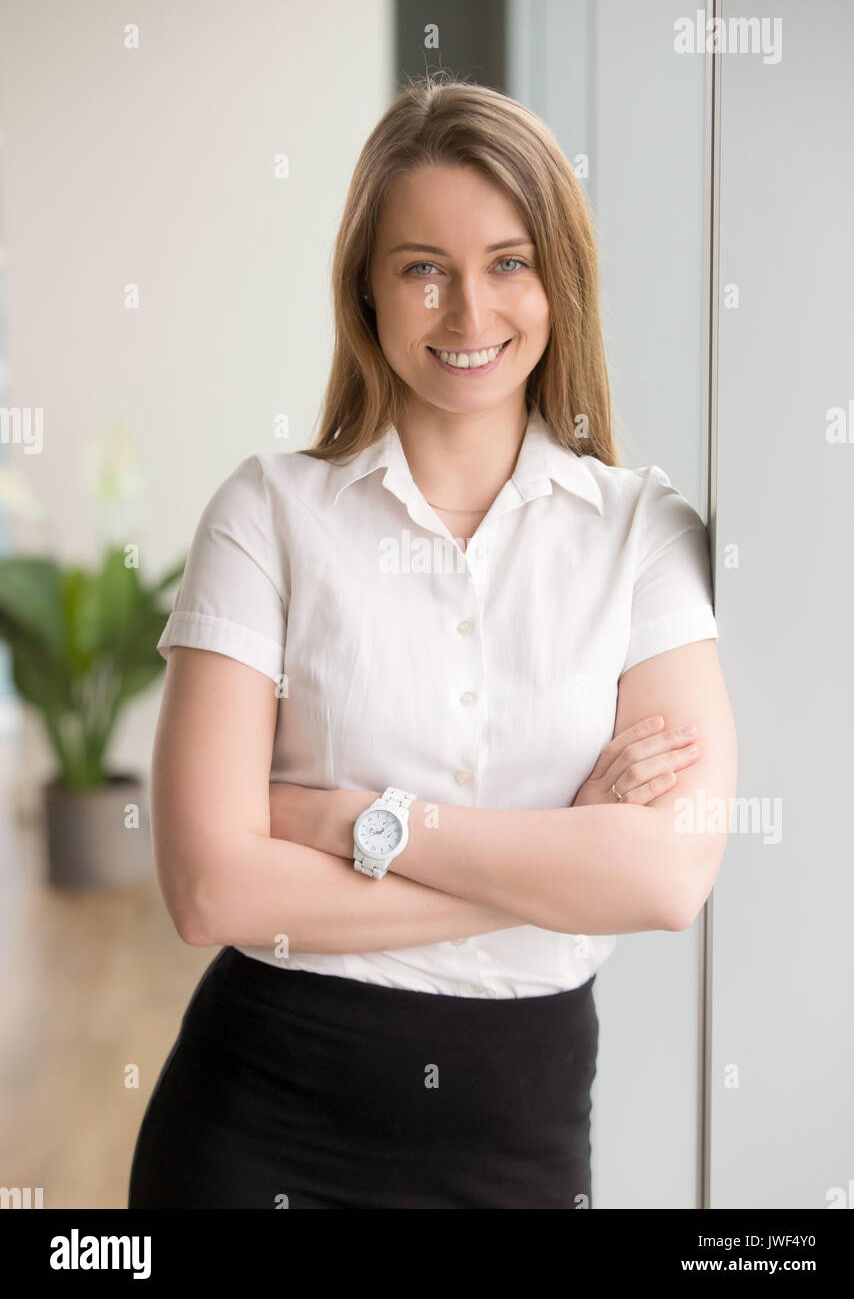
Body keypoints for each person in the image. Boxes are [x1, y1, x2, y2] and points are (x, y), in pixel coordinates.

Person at [128, 74, 737, 1210]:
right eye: (423, 268)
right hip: (263, 1122)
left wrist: (362, 827)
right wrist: (558, 860)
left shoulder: (644, 536)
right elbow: (210, 887)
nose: (467, 313)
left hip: (521, 1132)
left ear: (559, 278)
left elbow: (663, 873)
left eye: (507, 261)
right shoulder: (265, 513)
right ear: (365, 288)